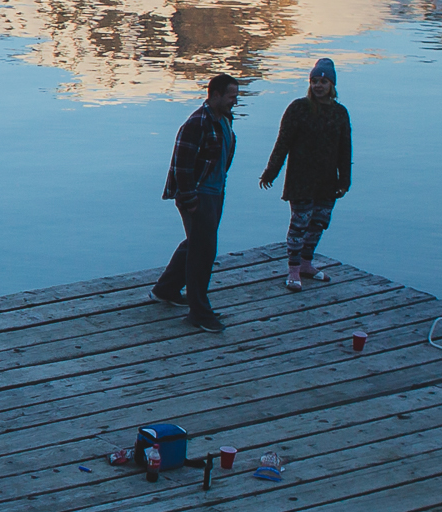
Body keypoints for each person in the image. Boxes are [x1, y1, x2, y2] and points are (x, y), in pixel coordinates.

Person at [150, 73, 240, 332]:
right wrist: (190, 200)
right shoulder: (197, 123)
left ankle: (165, 290)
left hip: (215, 192)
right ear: (215, 95)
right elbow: (182, 165)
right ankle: (199, 312)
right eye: (231, 96)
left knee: (197, 243)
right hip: (199, 195)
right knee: (204, 252)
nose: (235, 101)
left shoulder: (224, 119)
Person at [257, 57, 353, 290]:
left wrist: (344, 180)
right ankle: (293, 269)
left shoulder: (340, 113)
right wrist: (270, 172)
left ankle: (306, 263)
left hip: (327, 180)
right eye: (314, 81)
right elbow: (283, 143)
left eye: (323, 81)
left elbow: (345, 148)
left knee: (319, 222)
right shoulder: (298, 108)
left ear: (331, 85)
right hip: (300, 179)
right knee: (299, 224)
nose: (318, 86)